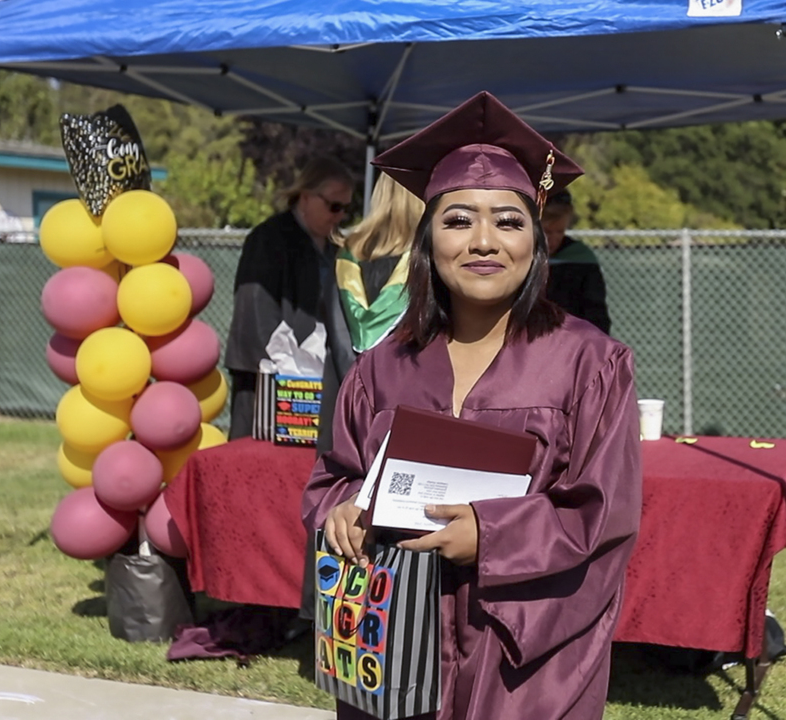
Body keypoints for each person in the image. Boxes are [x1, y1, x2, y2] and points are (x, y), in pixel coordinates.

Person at [302, 92, 642, 720]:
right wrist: (340, 511)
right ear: (427, 237)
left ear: (536, 241)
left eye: (509, 222)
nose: (484, 242)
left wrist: (493, 534)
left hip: (526, 658)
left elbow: (603, 516)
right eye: (458, 220)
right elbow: (336, 475)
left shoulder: (588, 363)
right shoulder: (384, 364)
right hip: (399, 642)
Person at [224, 157, 354, 440]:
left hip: (316, 373)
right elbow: (256, 309)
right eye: (334, 206)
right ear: (306, 196)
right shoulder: (269, 238)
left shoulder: (336, 246)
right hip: (267, 373)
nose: (339, 216)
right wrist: (284, 366)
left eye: (346, 209)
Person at [318, 173, 425, 455]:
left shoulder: (345, 255)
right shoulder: (428, 262)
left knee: (340, 493)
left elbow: (337, 333)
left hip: (343, 399)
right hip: (404, 398)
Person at [541, 189, 612, 334]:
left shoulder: (580, 259)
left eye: (559, 232)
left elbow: (595, 314)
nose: (553, 240)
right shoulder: (519, 257)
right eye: (547, 231)